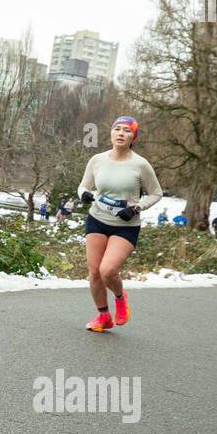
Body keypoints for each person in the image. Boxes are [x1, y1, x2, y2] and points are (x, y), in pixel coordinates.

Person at [76, 116, 163, 332]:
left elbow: (156, 193)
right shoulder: (97, 160)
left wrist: (136, 208)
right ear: (111, 133)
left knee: (108, 270)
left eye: (127, 130)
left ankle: (120, 298)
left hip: (125, 225)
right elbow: (83, 186)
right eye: (117, 129)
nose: (121, 133)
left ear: (133, 137)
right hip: (97, 219)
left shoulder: (140, 164)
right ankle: (103, 316)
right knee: (95, 272)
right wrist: (84, 194)